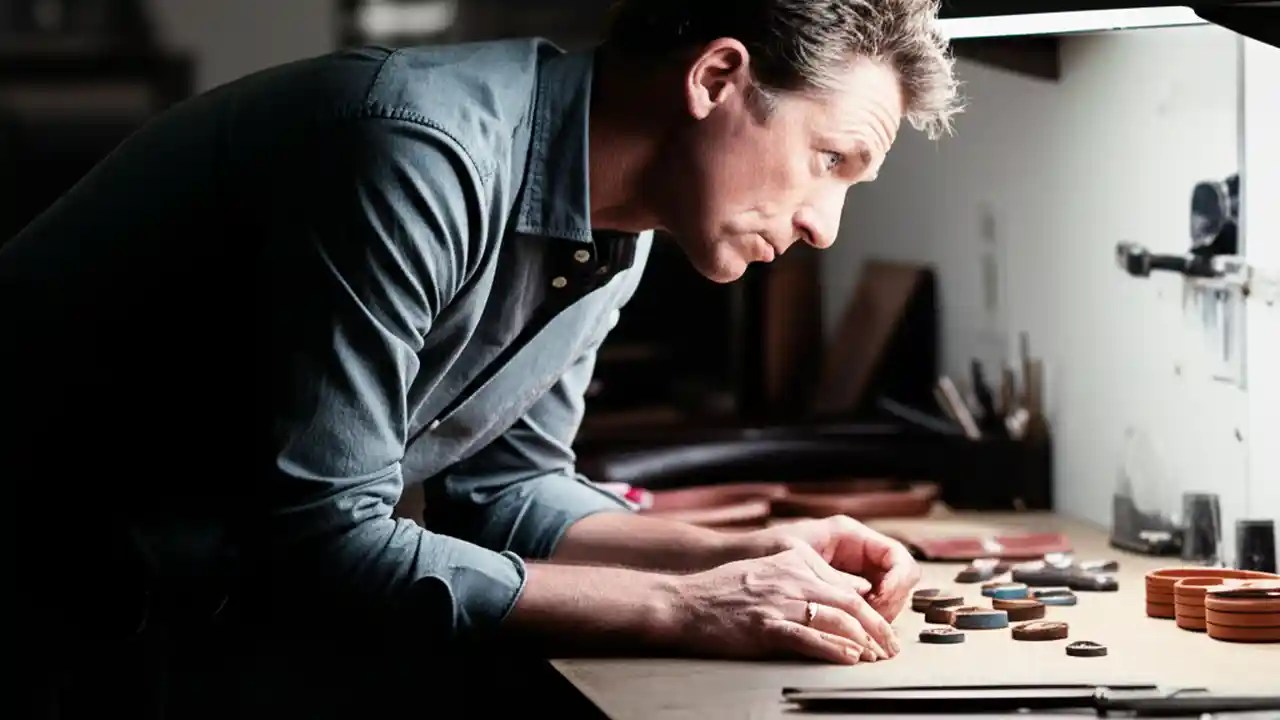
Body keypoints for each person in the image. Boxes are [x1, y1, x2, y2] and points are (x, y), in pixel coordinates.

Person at [3, 0, 962, 716]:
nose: (825, 226)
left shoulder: (615, 235)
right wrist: (683, 604)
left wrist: (743, 556)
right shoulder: (418, 152)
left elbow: (507, 488)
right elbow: (325, 542)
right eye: (829, 160)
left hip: (150, 602)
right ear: (715, 78)